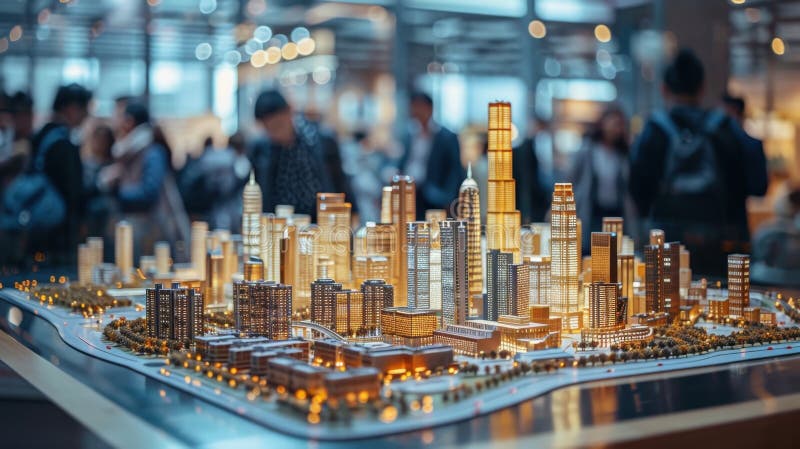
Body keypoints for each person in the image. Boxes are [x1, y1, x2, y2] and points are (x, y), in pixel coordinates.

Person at [629, 49, 768, 275]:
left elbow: (637, 189)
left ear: (664, 89)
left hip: (666, 240)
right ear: (702, 88)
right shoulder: (725, 127)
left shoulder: (654, 130)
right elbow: (758, 184)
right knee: (723, 304)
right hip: (722, 241)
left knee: (664, 303)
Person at [98, 100, 189, 261]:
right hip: (135, 231)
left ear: (129, 121)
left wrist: (116, 190)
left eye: (118, 115)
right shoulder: (127, 151)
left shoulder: (152, 152)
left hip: (150, 233)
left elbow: (149, 192)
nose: (113, 120)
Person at [249, 90, 354, 221]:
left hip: (320, 223)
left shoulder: (321, 141)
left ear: (289, 112)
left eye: (278, 126)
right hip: (279, 227)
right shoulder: (261, 150)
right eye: (268, 129)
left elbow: (340, 181)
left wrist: (353, 213)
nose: (275, 134)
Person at [28, 84, 92, 264]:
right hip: (58, 225)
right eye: (84, 109)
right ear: (71, 107)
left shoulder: (41, 135)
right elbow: (72, 189)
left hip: (37, 216)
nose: (86, 115)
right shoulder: (62, 143)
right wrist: (79, 220)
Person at [571, 106, 637, 251]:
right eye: (613, 123)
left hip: (616, 210)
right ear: (603, 123)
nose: (616, 129)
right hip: (592, 209)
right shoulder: (588, 150)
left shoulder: (622, 154)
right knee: (590, 249)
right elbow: (572, 179)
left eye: (620, 125)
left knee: (614, 250)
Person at [399, 92, 464, 218]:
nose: (416, 111)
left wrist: (448, 199)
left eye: (419, 107)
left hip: (433, 194)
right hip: (408, 192)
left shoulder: (447, 137)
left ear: (430, 108)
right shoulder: (409, 135)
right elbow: (404, 162)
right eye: (413, 107)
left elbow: (455, 171)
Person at [721, 93, 769, 199]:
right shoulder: (752, 144)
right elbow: (760, 188)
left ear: (732, 112)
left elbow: (760, 187)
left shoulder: (749, 145)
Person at [513, 117, 550, 224]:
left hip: (538, 203)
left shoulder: (540, 145)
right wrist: (525, 212)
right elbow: (525, 183)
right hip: (532, 206)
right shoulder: (525, 149)